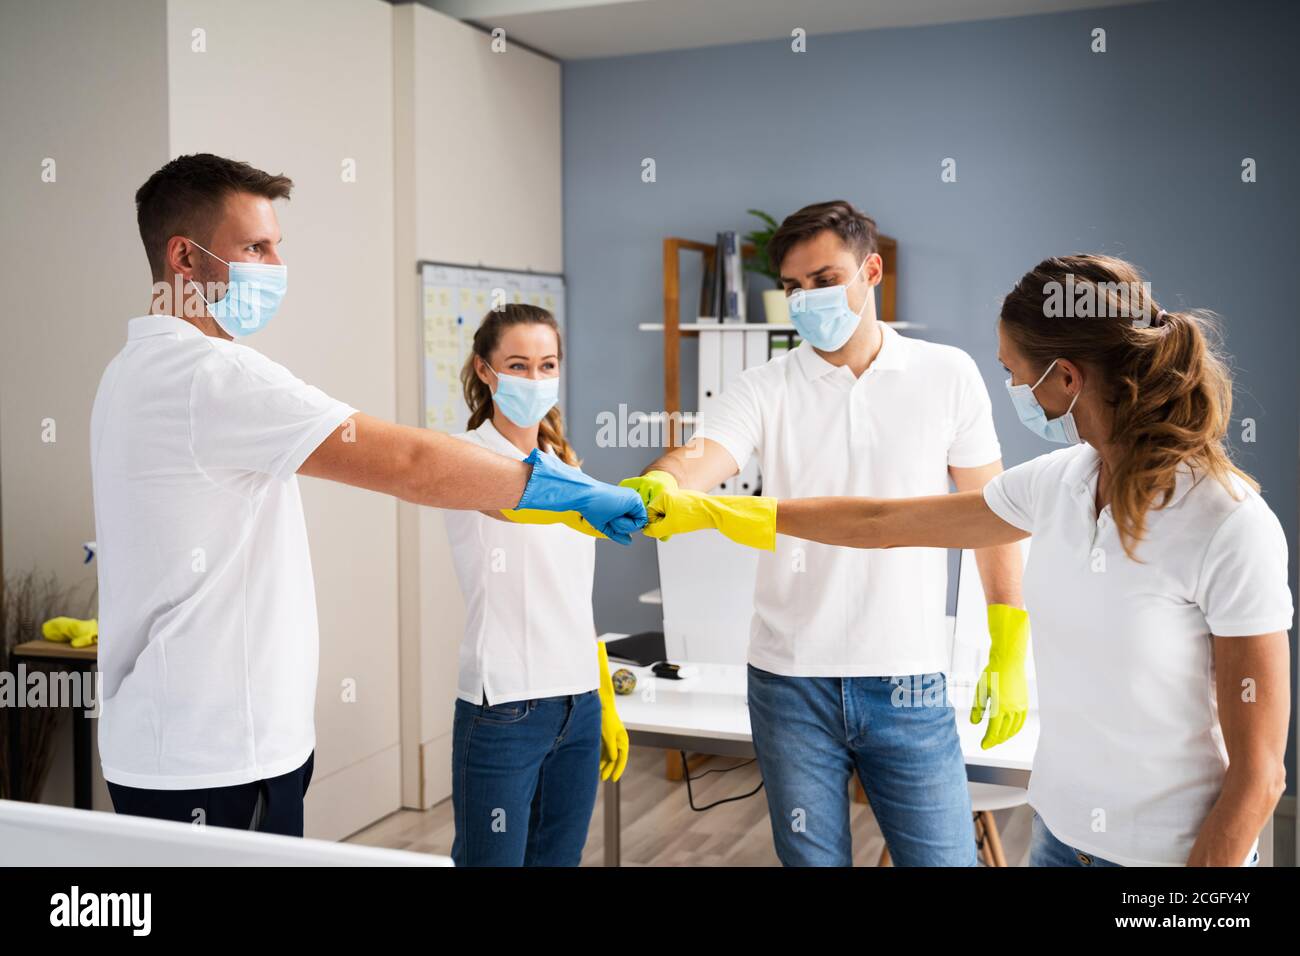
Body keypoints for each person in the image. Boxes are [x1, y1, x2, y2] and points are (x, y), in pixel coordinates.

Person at [644, 254, 1292, 867]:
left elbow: (1260, 775)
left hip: (1174, 857)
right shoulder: (1057, 483)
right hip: (1061, 838)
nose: (1010, 385)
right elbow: (883, 523)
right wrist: (725, 512)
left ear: (1066, 378)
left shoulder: (1228, 525)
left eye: (1014, 372)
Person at [90, 154, 644, 837]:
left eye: (276, 248)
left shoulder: (128, 372)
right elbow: (411, 462)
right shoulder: (214, 375)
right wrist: (575, 496)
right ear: (185, 256)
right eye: (255, 248)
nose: (274, 267)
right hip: (219, 754)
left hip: (168, 746)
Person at [623, 200, 1026, 866]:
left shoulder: (945, 374)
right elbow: (700, 457)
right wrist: (665, 482)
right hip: (790, 682)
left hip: (909, 677)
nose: (807, 298)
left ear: (871, 271)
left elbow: (993, 513)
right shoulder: (762, 386)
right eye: (793, 287)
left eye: (824, 278)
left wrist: (1008, 641)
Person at [441, 304, 629, 866]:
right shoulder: (464, 457)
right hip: (504, 705)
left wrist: (599, 686)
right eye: (518, 365)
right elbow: (516, 499)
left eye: (547, 365)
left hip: (577, 700)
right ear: (484, 370)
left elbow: (572, 590)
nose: (535, 378)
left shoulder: (568, 462)